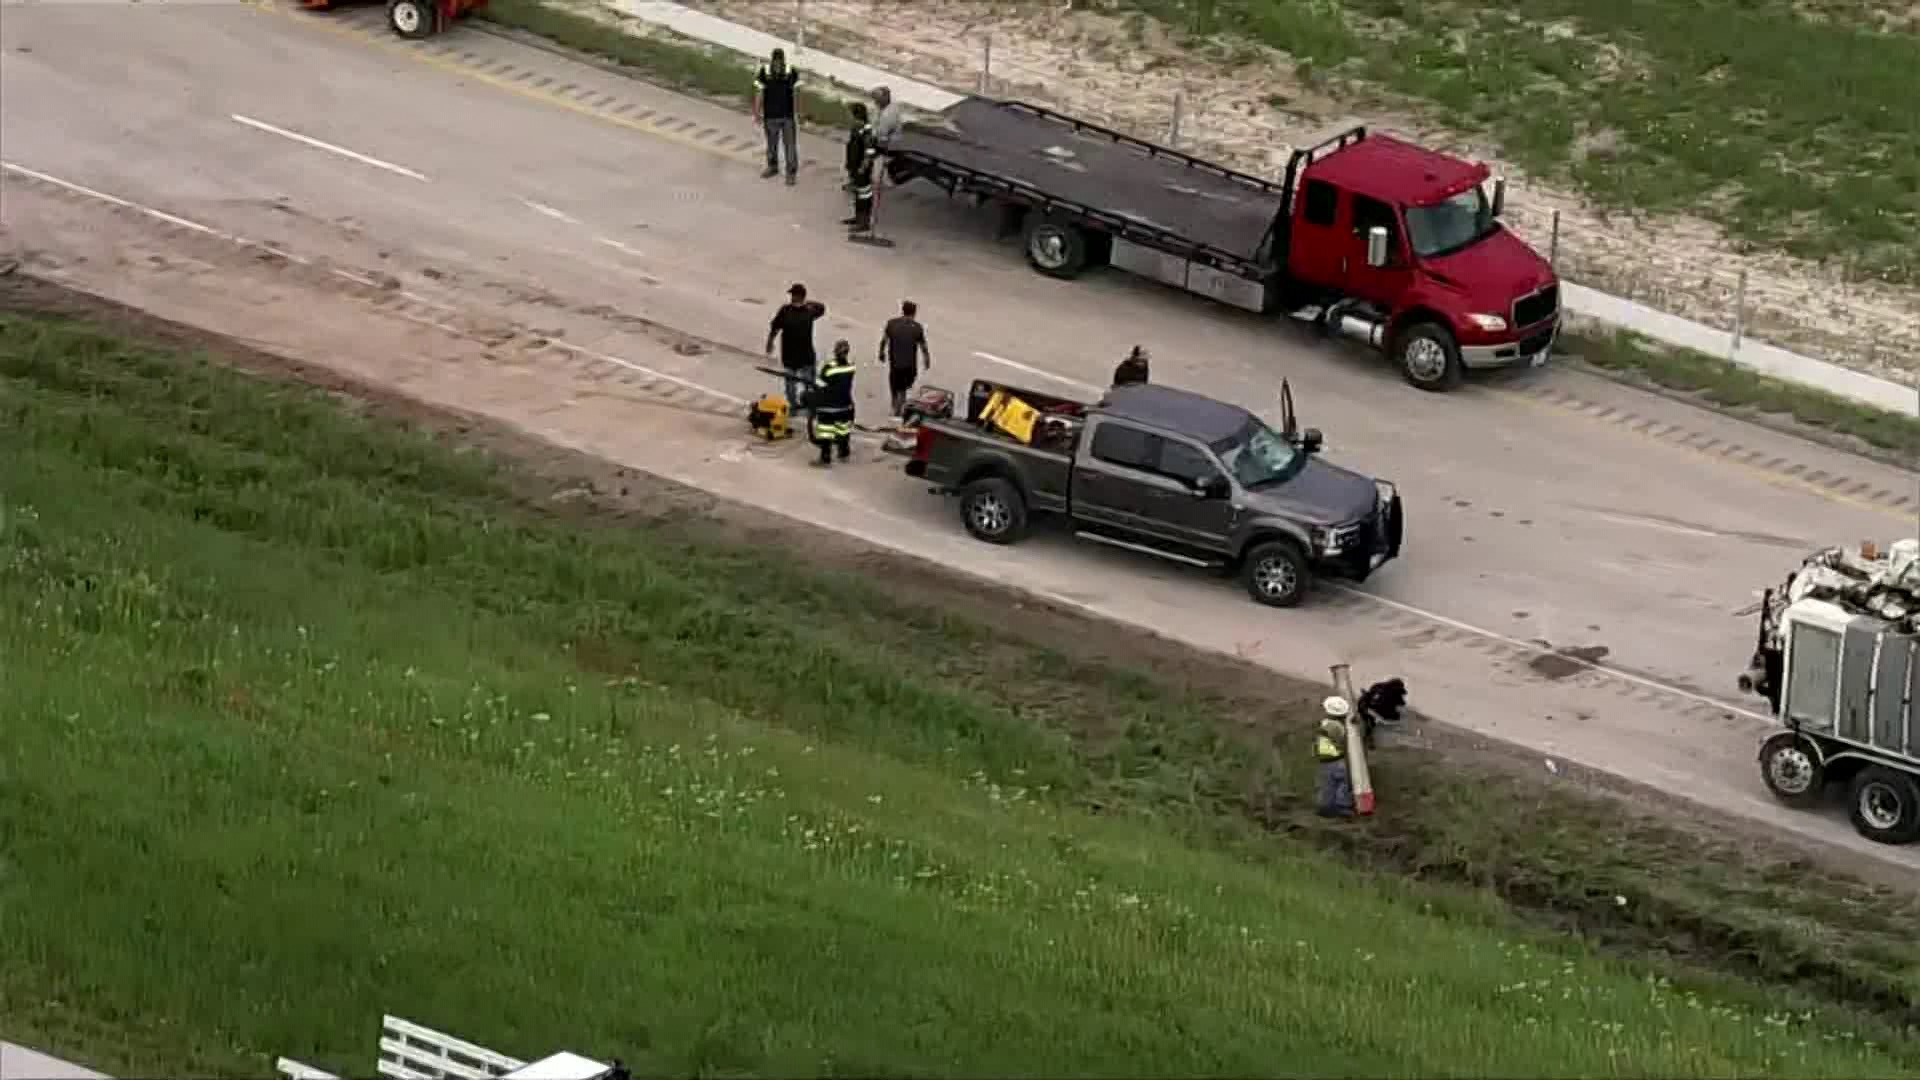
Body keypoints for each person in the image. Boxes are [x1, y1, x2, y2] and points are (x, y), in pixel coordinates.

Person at [766, 282, 826, 411]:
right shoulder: (787, 310)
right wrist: (770, 342)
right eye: (792, 295)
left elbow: (822, 308)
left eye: (794, 294)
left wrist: (806, 302)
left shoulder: (806, 310)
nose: (791, 297)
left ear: (800, 296)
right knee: (791, 385)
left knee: (808, 383)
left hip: (805, 355)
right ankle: (794, 405)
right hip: (792, 356)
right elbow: (775, 326)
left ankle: (809, 405)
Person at [753, 49, 800, 185]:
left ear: (784, 60)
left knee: (790, 146)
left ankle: (791, 173)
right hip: (770, 116)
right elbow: (760, 92)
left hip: (787, 116)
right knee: (771, 144)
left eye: (781, 62)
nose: (778, 65)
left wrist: (799, 112)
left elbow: (796, 93)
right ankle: (772, 167)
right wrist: (757, 112)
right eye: (776, 62)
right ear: (772, 60)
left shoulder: (791, 72)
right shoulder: (765, 71)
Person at [879, 299, 932, 418]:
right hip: (909, 366)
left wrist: (881, 353)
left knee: (894, 385)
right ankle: (898, 409)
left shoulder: (892, 323)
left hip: (895, 364)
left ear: (902, 311)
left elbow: (884, 340)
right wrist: (927, 360)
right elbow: (923, 346)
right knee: (902, 388)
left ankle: (895, 404)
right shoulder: (917, 328)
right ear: (914, 313)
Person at [810, 339, 857, 467]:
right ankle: (844, 452)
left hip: (828, 406)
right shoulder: (851, 366)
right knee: (843, 430)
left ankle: (825, 458)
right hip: (845, 405)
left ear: (836, 352)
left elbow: (820, 384)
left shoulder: (829, 367)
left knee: (826, 432)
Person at [1314, 696, 1355, 818]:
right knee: (1342, 782)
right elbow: (1342, 739)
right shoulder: (1337, 727)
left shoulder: (1324, 723)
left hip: (1323, 759)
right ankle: (1342, 806)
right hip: (1335, 758)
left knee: (1328, 783)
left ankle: (1325, 806)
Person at [843, 102, 879, 233]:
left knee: (864, 195)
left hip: (862, 169)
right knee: (858, 194)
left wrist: (863, 167)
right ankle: (857, 217)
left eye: (850, 115)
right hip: (854, 167)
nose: (848, 118)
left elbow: (870, 151)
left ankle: (863, 223)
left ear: (856, 116)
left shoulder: (867, 130)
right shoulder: (856, 128)